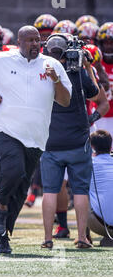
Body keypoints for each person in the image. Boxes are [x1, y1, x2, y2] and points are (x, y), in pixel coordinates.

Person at [0, 25, 72, 254]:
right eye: (29, 40)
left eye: (37, 40)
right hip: (5, 130)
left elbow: (65, 101)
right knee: (13, 170)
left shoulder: (52, 65)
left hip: (37, 137)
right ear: (19, 41)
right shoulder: (1, 60)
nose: (35, 44)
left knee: (20, 190)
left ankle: (2, 236)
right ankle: (0, 206)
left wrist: (56, 80)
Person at [40, 33, 100, 249]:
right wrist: (89, 68)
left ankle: (48, 238)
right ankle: (82, 237)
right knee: (81, 191)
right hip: (77, 141)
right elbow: (95, 93)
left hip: (50, 141)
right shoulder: (79, 74)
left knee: (49, 191)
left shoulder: (41, 73)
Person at [88, 130, 113, 247]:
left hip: (98, 225)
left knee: (80, 195)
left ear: (92, 147)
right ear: (110, 146)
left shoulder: (87, 163)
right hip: (102, 223)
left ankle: (84, 237)